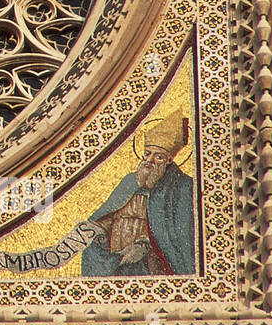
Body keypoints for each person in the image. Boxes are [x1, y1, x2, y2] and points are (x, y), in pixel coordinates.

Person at [81, 114, 196, 275]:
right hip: (118, 257)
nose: (150, 161)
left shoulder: (180, 187)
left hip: (150, 263)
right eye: (147, 154)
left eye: (159, 157)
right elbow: (109, 214)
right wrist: (96, 230)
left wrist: (144, 245)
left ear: (169, 161)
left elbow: (178, 232)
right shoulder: (130, 182)